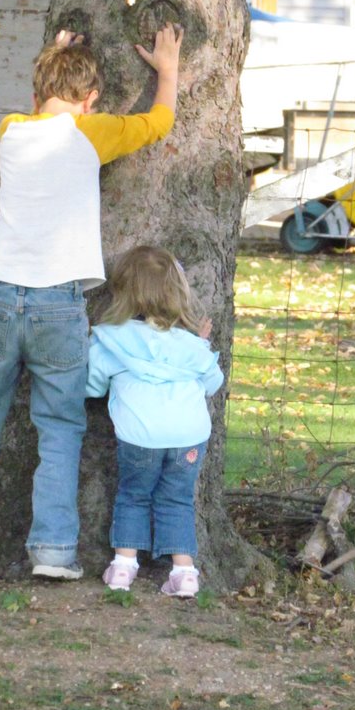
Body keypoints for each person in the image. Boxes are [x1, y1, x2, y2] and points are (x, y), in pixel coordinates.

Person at [0, 24, 184, 580]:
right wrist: (168, 69)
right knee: (59, 428)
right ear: (91, 99)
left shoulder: (12, 130)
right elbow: (160, 122)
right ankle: (54, 552)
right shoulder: (91, 132)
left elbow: (40, 107)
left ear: (36, 93)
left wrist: (54, 55)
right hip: (57, 303)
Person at [86, 246, 224, 597]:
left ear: (123, 292)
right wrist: (200, 347)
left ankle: (123, 568)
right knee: (177, 499)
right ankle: (185, 573)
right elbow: (213, 383)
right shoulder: (191, 344)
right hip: (188, 436)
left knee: (134, 495)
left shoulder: (111, 339)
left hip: (140, 435)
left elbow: (92, 385)